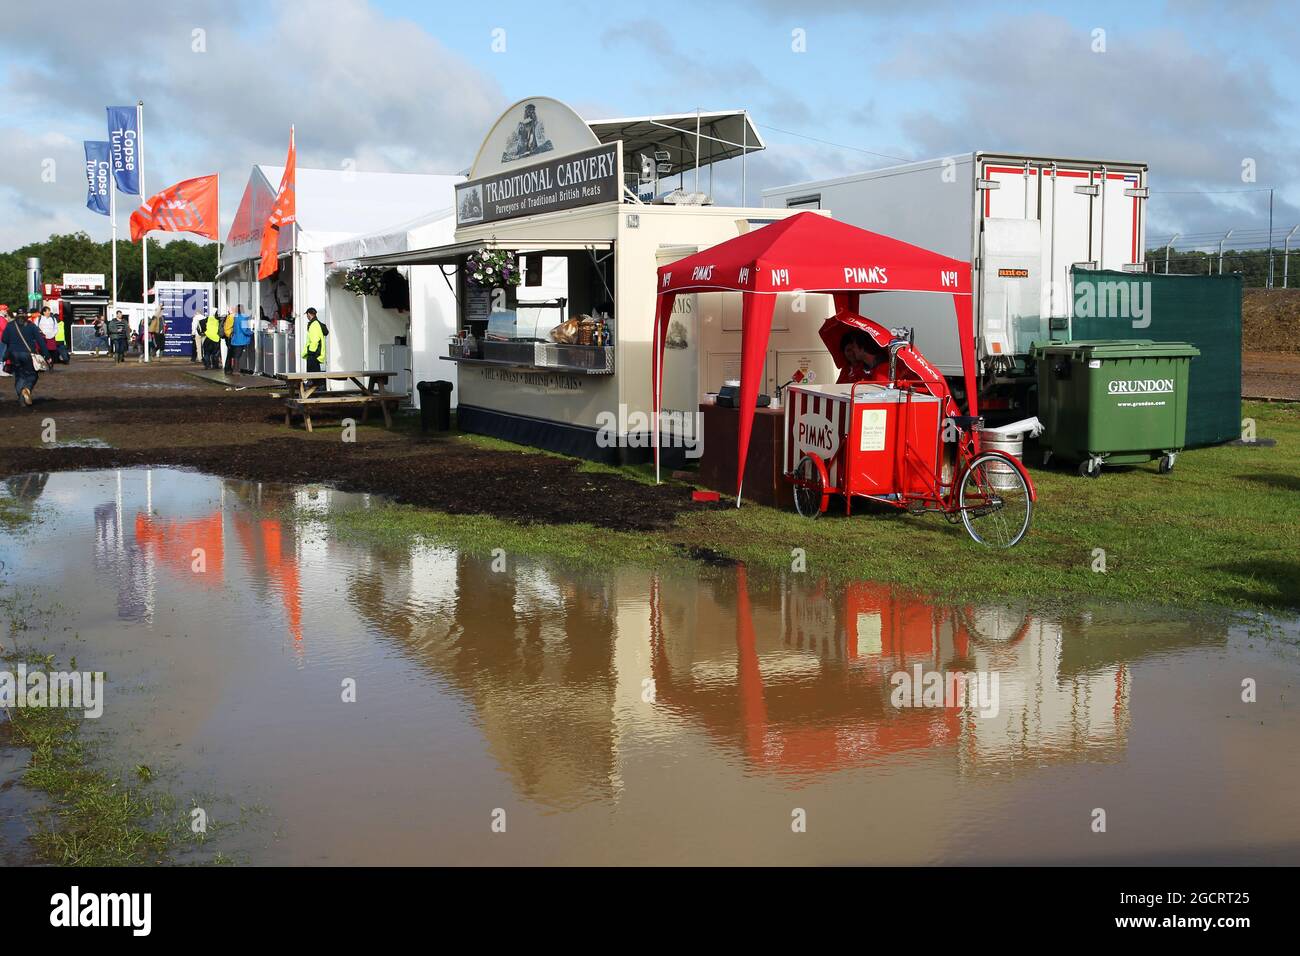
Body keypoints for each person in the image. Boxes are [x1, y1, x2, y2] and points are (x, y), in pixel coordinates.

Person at [1, 311, 51, 407]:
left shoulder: (10, 325)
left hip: (13, 354)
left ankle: (21, 399)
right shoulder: (31, 326)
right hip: (27, 354)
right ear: (26, 316)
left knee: (19, 376)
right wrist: (47, 356)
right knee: (32, 374)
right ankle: (27, 389)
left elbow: (4, 339)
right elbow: (40, 341)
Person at [301, 307, 327, 381]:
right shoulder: (316, 323)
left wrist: (311, 352)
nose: (307, 316)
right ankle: (316, 387)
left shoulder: (314, 324)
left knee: (313, 376)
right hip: (316, 353)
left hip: (313, 353)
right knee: (315, 374)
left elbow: (315, 340)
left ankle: (314, 389)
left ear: (309, 314)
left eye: (307, 315)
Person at [229, 304, 253, 374]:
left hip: (235, 339)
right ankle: (236, 370)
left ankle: (235, 370)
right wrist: (251, 332)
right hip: (241, 340)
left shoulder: (236, 317)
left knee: (236, 355)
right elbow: (244, 330)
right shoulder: (243, 318)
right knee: (238, 356)